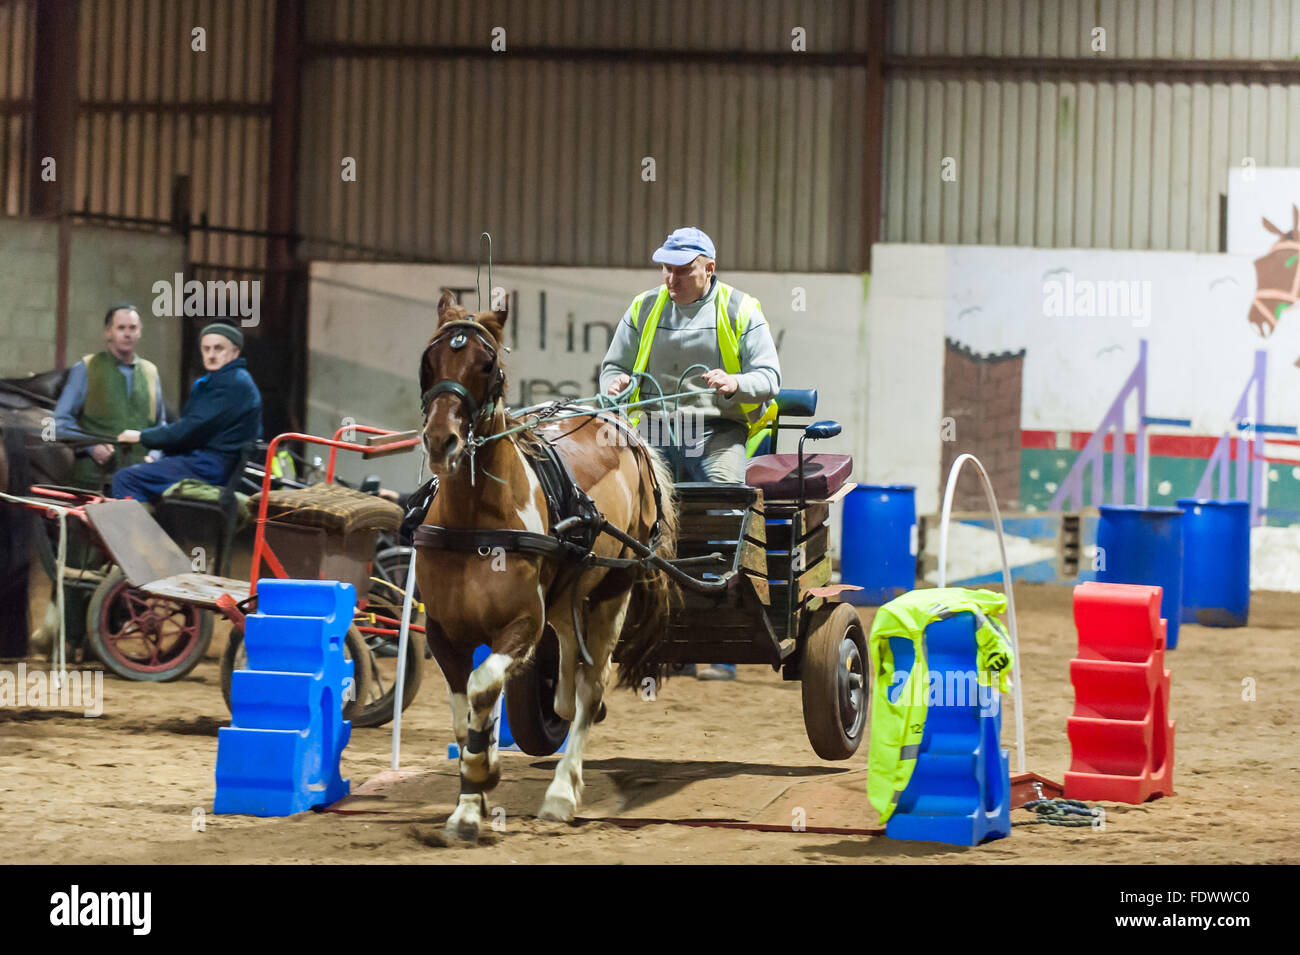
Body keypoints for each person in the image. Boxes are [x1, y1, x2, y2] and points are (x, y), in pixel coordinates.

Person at [600, 227, 782, 679]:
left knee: (722, 506)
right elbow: (613, 366)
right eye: (666, 269)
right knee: (638, 515)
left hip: (718, 431)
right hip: (658, 430)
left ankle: (722, 638)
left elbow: (770, 376)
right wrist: (614, 385)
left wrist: (737, 383)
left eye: (681, 271)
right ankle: (653, 630)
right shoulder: (643, 308)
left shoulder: (741, 309)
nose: (671, 279)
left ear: (709, 269)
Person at [111, 322, 262, 503]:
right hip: (208, 461)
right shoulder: (222, 380)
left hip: (210, 465)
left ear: (235, 352)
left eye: (218, 348)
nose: (211, 355)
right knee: (146, 473)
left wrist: (140, 436)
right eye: (206, 349)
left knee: (126, 479)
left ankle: (138, 532)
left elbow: (189, 429)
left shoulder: (231, 383)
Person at [53, 304, 168, 491]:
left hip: (139, 483)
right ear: (108, 332)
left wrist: (153, 457)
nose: (127, 334)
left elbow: (160, 428)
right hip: (95, 481)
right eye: (121, 328)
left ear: (139, 333)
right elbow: (59, 423)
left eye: (133, 328)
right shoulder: (87, 368)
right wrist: (91, 447)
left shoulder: (150, 372)